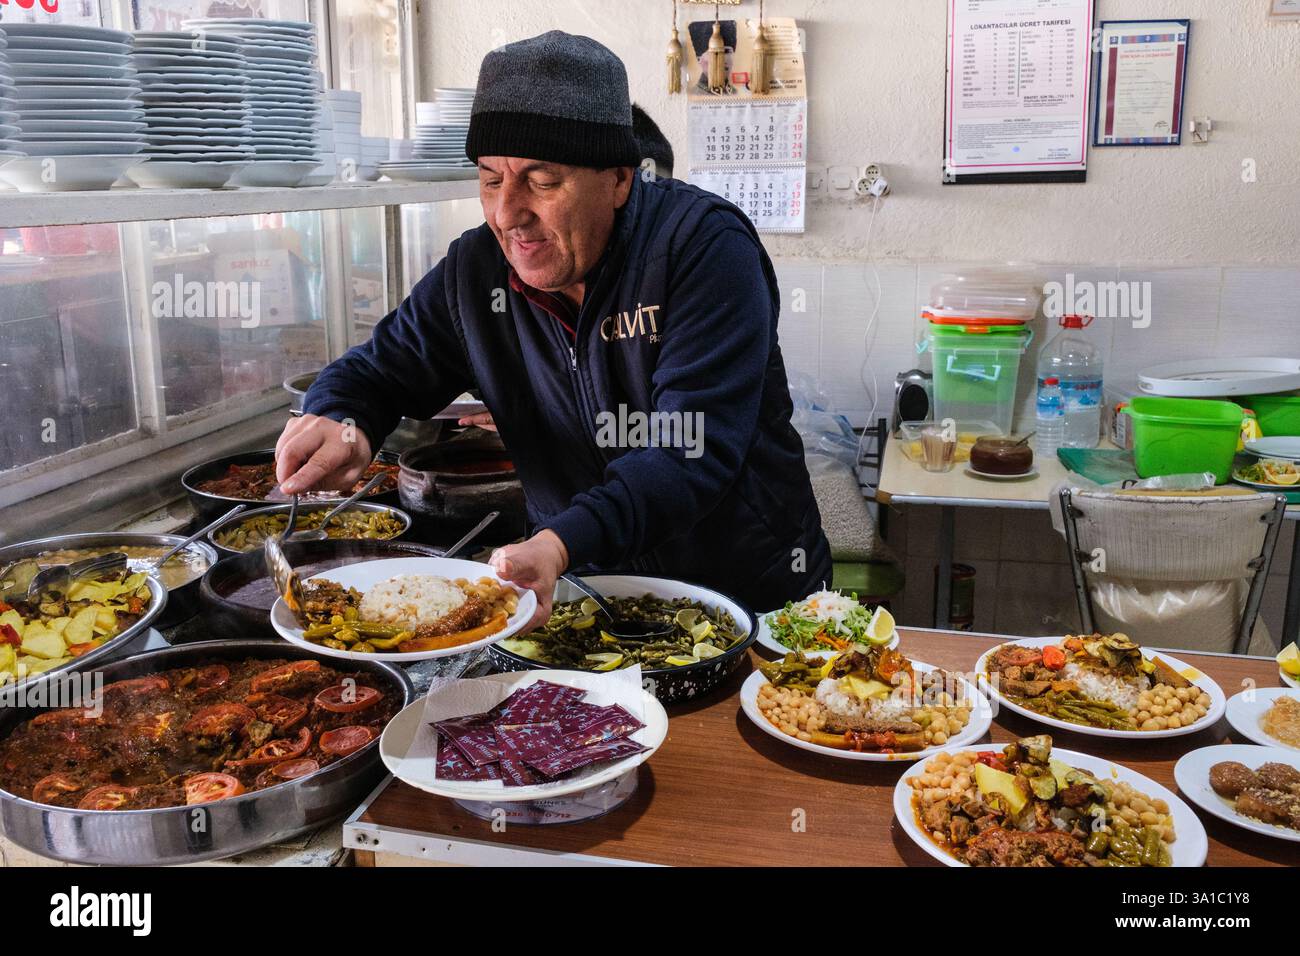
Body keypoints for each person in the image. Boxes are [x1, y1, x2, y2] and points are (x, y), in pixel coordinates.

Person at [276, 30, 830, 627]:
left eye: (542, 181)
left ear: (618, 179)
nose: (508, 212)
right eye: (491, 179)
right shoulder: (476, 272)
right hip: (583, 597)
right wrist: (342, 417)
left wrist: (562, 541)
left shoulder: (700, 249)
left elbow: (687, 447)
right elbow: (380, 370)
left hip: (745, 593)